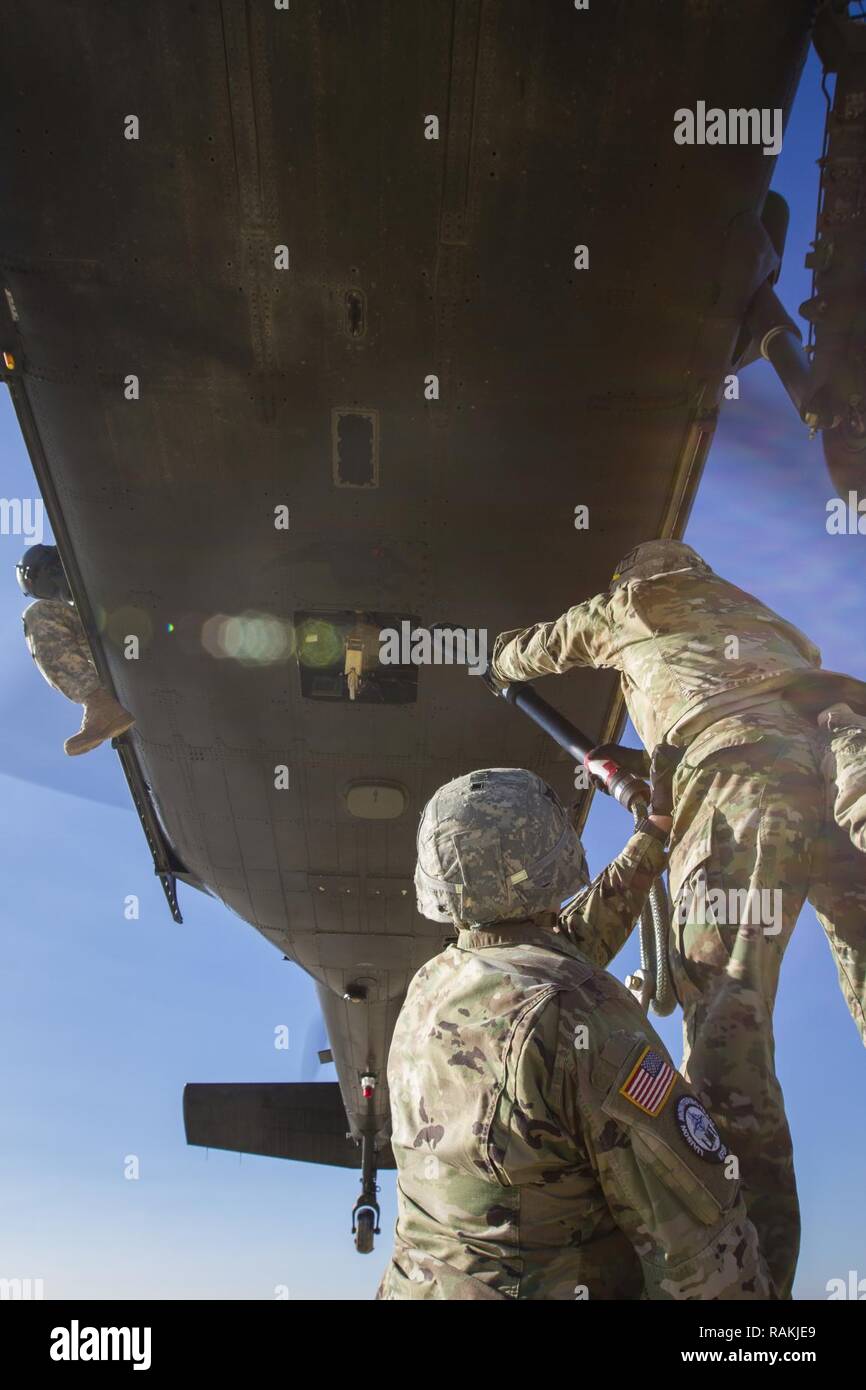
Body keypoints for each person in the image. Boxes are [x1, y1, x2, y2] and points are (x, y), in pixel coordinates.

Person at [489, 537, 866, 1299]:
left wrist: (498, 659)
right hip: (835, 761)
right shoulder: (766, 620)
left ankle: (747, 1296)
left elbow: (537, 653)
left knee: (730, 1038)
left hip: (739, 782)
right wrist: (636, 761)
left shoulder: (633, 603)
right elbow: (731, 697)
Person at [377, 766, 773, 1301]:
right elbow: (702, 1256)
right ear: (555, 853)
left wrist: (652, 835)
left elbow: (558, 946)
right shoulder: (580, 1009)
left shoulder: (433, 988)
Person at [17, 544, 134, 755]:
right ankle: (100, 705)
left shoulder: (105, 560)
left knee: (39, 615)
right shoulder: (84, 618)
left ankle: (98, 702)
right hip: (128, 649)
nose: (55, 597)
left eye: (46, 590)